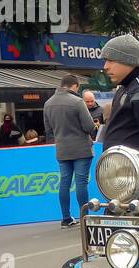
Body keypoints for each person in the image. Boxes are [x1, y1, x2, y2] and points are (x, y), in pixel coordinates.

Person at [42, 74, 98, 227]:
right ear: (75, 86)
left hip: (62, 149)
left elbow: (48, 130)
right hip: (81, 149)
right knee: (81, 182)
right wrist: (95, 127)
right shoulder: (78, 102)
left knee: (64, 183)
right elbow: (89, 127)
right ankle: (84, 217)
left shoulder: (48, 103)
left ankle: (66, 218)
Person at [100, 34, 139, 151]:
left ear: (128, 60)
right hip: (119, 166)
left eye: (111, 60)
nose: (105, 66)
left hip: (136, 168)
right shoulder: (125, 87)